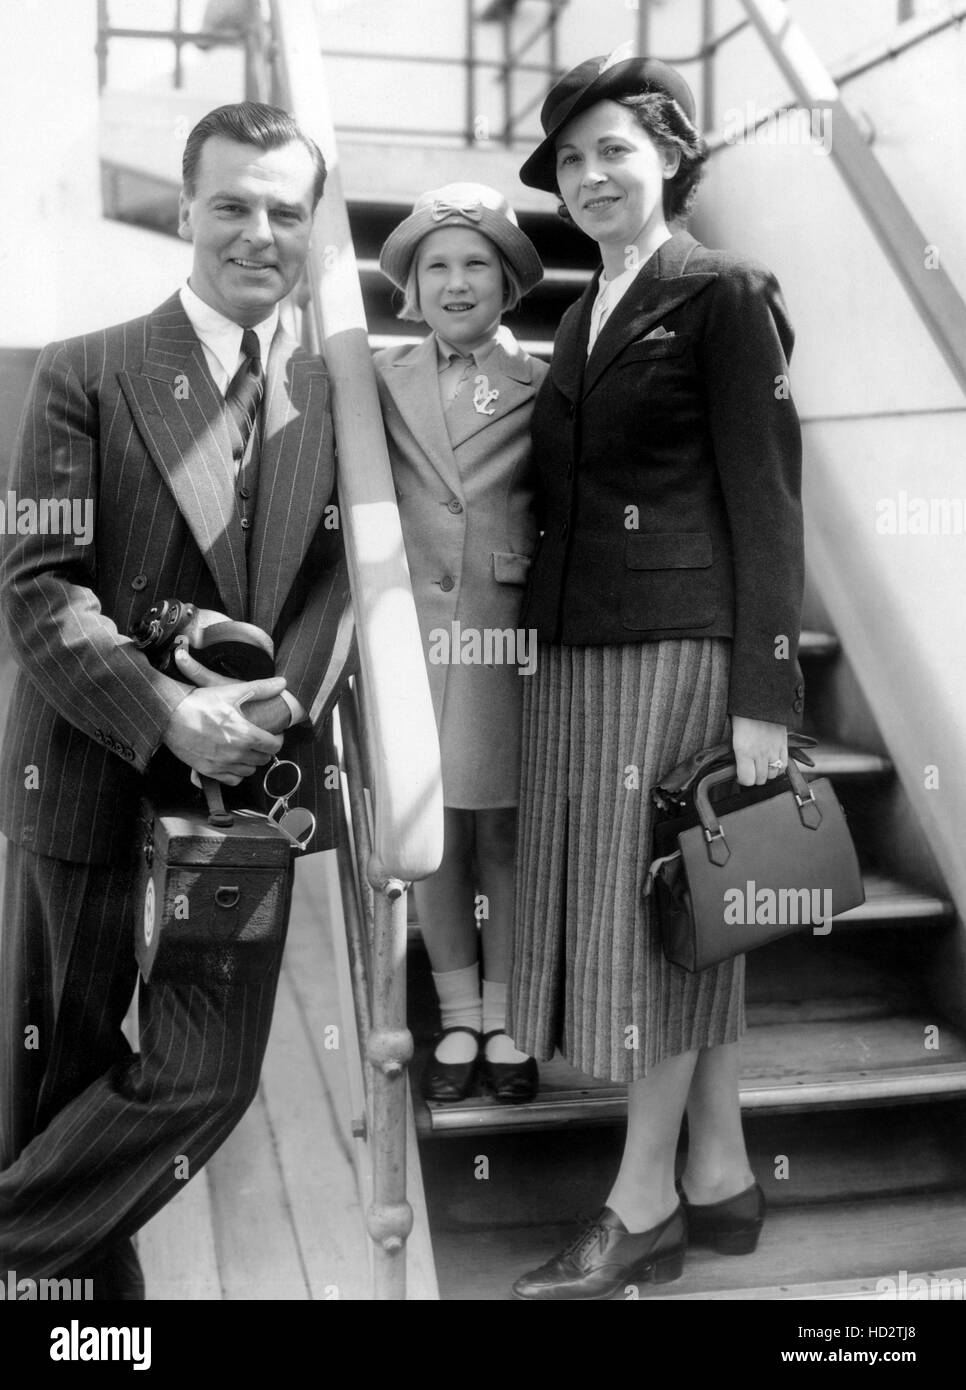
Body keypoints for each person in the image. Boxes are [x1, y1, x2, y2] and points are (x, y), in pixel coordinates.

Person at [0, 101, 354, 1298]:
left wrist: (268, 707)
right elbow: (38, 585)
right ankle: (92, 1321)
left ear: (311, 226)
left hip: (238, 804)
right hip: (86, 779)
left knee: (207, 1075)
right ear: (186, 209)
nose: (259, 231)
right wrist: (159, 707)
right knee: (59, 1082)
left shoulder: (331, 393)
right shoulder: (84, 368)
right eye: (233, 204)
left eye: (284, 210)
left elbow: (341, 582)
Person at [506, 54, 805, 1298]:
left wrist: (767, 697)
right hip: (583, 653)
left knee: (653, 931)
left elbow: (770, 501)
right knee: (694, 912)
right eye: (570, 160)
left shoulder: (726, 292)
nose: (590, 177)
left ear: (671, 153)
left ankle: (643, 1205)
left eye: (613, 149)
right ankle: (724, 1173)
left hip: (679, 649)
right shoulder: (581, 311)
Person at [374, 184, 547, 1105]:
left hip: (503, 632)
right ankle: (457, 1015)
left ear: (510, 281)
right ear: (410, 284)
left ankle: (511, 1014)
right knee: (431, 832)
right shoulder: (378, 377)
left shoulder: (548, 381)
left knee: (504, 832)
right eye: (435, 264)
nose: (454, 281)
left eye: (476, 262)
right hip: (410, 634)